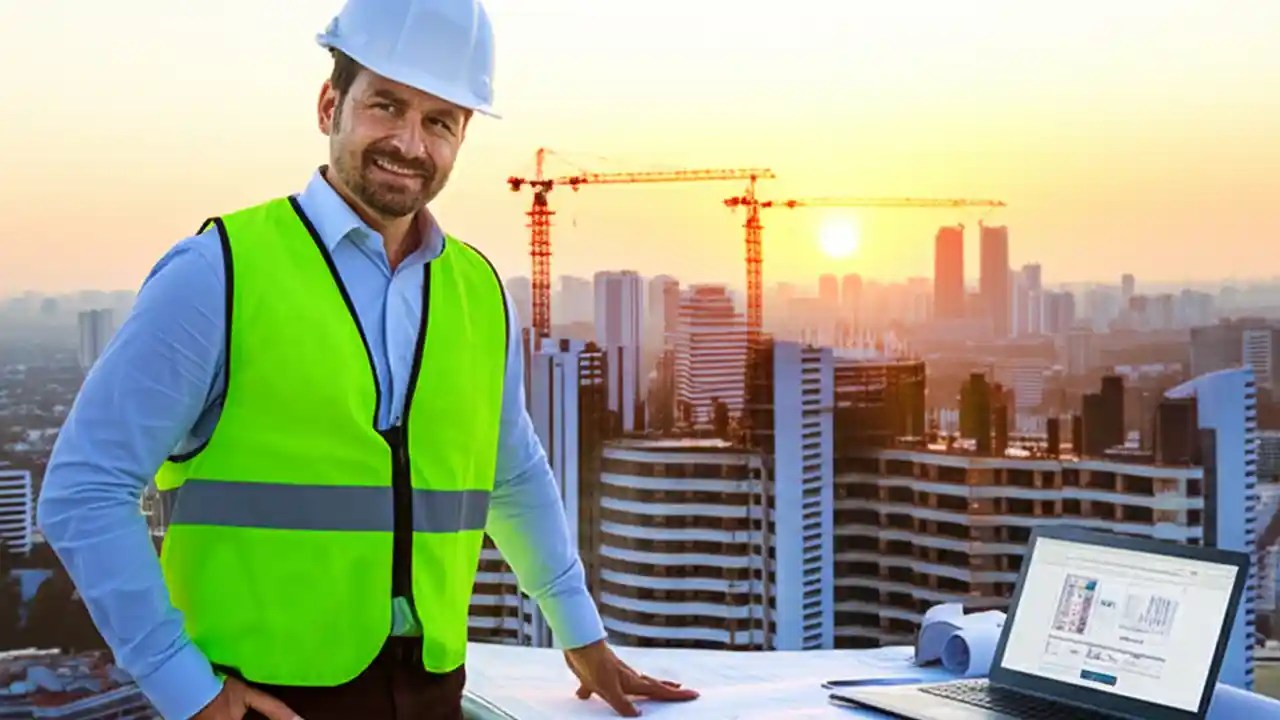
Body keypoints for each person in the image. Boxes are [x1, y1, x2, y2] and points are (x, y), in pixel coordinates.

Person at [36, 1, 700, 718]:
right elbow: (84, 489)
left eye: (439, 121)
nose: (410, 144)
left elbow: (510, 472)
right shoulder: (217, 272)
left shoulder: (479, 290)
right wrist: (183, 687)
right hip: (258, 698)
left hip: (431, 690)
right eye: (387, 105)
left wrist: (581, 632)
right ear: (331, 105)